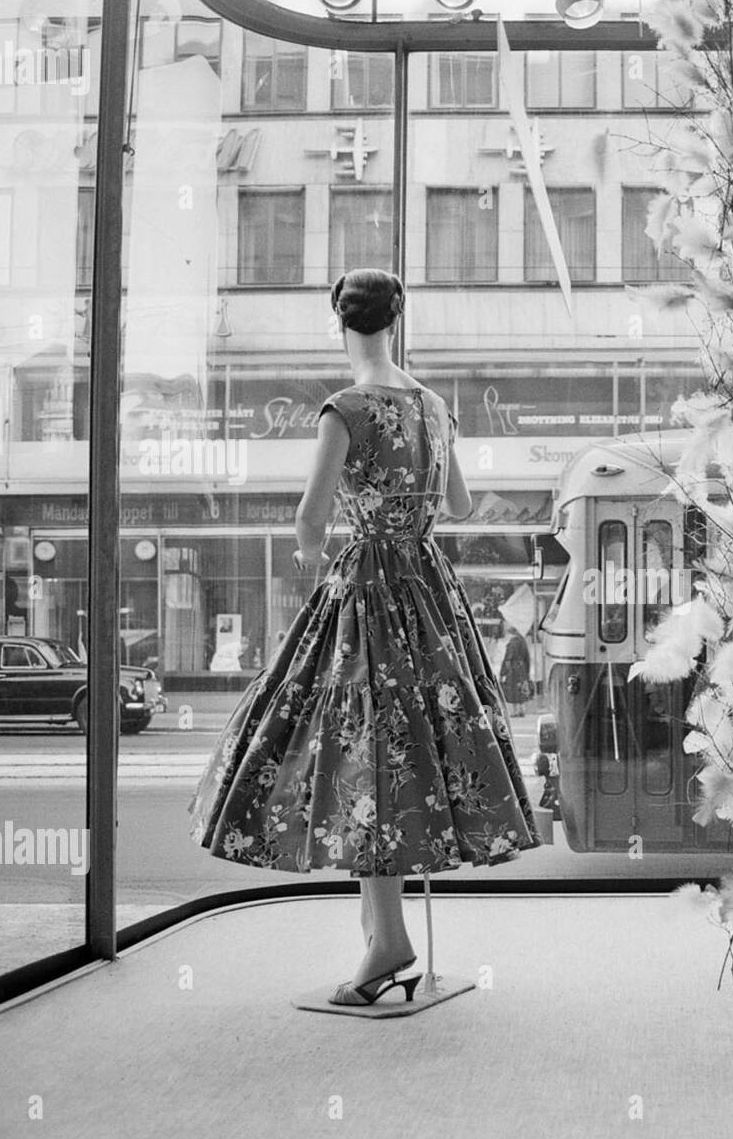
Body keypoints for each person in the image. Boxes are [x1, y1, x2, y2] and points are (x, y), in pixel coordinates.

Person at [188, 269, 540, 1005]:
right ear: (397, 318)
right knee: (412, 752)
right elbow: (461, 501)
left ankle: (387, 944)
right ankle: (386, 937)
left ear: (338, 322)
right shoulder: (434, 406)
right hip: (428, 592)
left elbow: (311, 522)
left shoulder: (343, 409)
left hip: (368, 591)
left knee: (361, 754)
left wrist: (314, 554)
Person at [499, 624, 532, 716]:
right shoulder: (523, 641)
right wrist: (527, 671)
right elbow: (527, 658)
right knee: (521, 689)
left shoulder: (511, 643)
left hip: (512, 670)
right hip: (522, 669)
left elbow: (507, 659)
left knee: (513, 690)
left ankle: (515, 711)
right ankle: (522, 710)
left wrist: (502, 672)